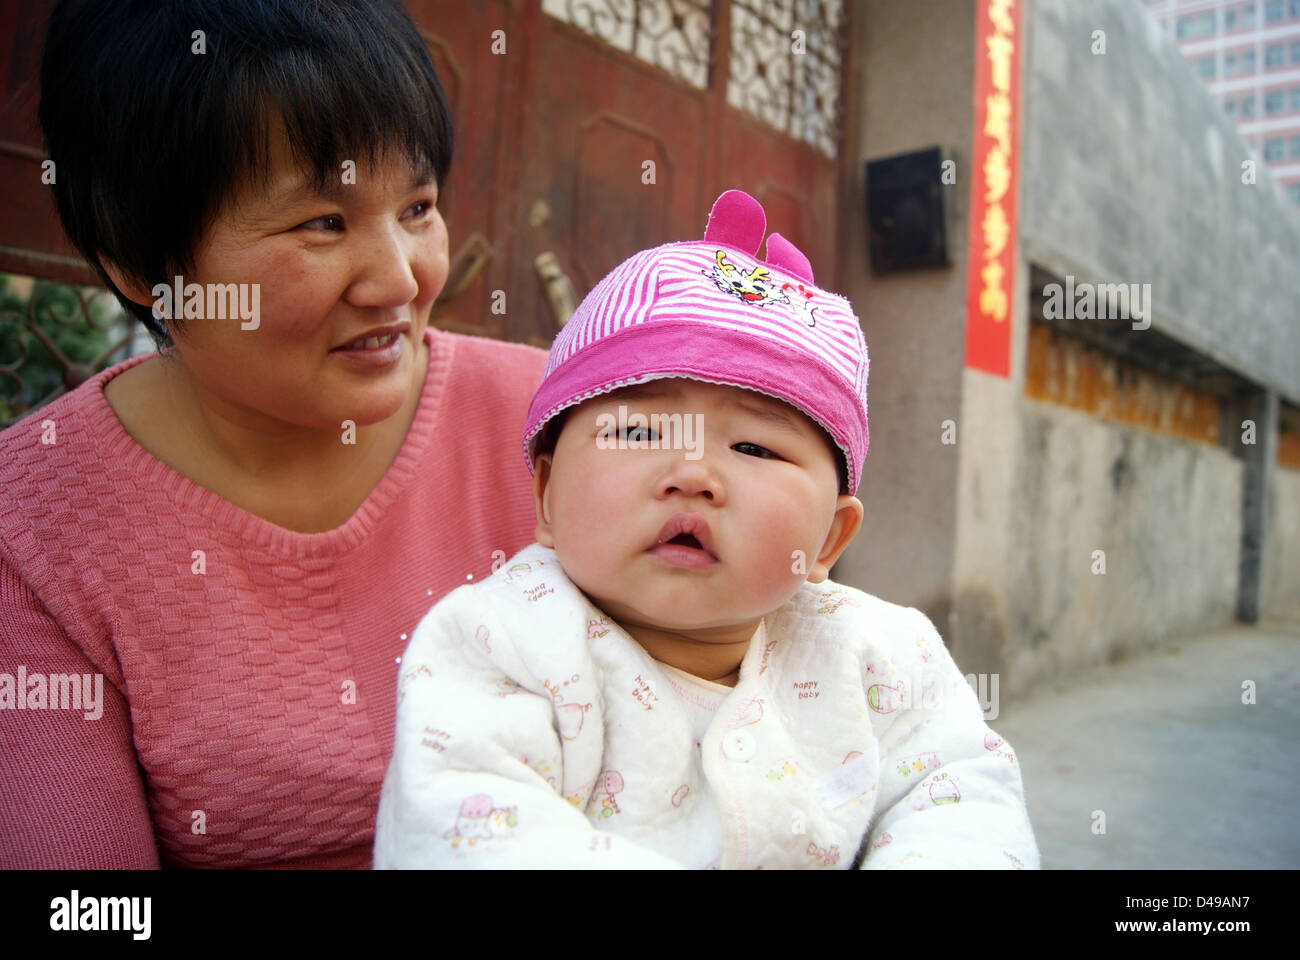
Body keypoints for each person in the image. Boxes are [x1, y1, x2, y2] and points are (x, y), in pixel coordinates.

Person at [0, 0, 547, 868]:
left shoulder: (548, 422)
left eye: (417, 206)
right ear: (142, 264)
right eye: (322, 223)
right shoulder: (32, 529)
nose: (399, 278)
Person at [374, 189, 1040, 869]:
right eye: (636, 430)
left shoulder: (884, 656)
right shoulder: (498, 644)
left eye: (754, 449)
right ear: (545, 495)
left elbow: (961, 798)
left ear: (831, 541)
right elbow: (463, 828)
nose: (692, 475)